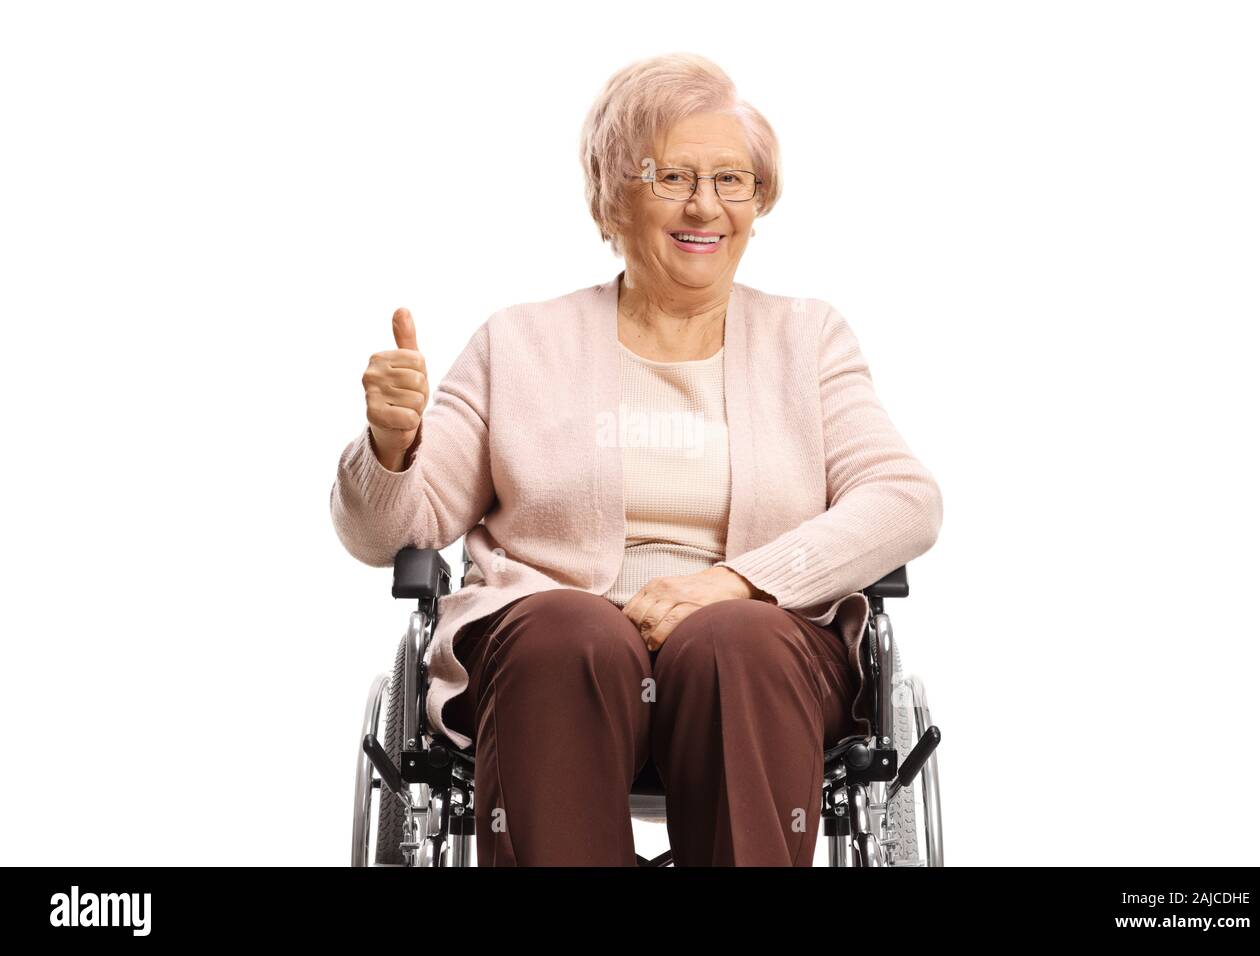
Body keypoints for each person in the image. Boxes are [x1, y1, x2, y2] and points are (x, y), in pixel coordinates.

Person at [330, 52, 943, 866]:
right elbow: (390, 532)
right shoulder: (519, 343)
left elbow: (905, 498)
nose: (707, 206)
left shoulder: (808, 340)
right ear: (613, 192)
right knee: (566, 633)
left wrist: (739, 582)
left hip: (759, 666)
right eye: (674, 177)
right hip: (552, 658)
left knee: (735, 642)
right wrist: (393, 445)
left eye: (734, 180)